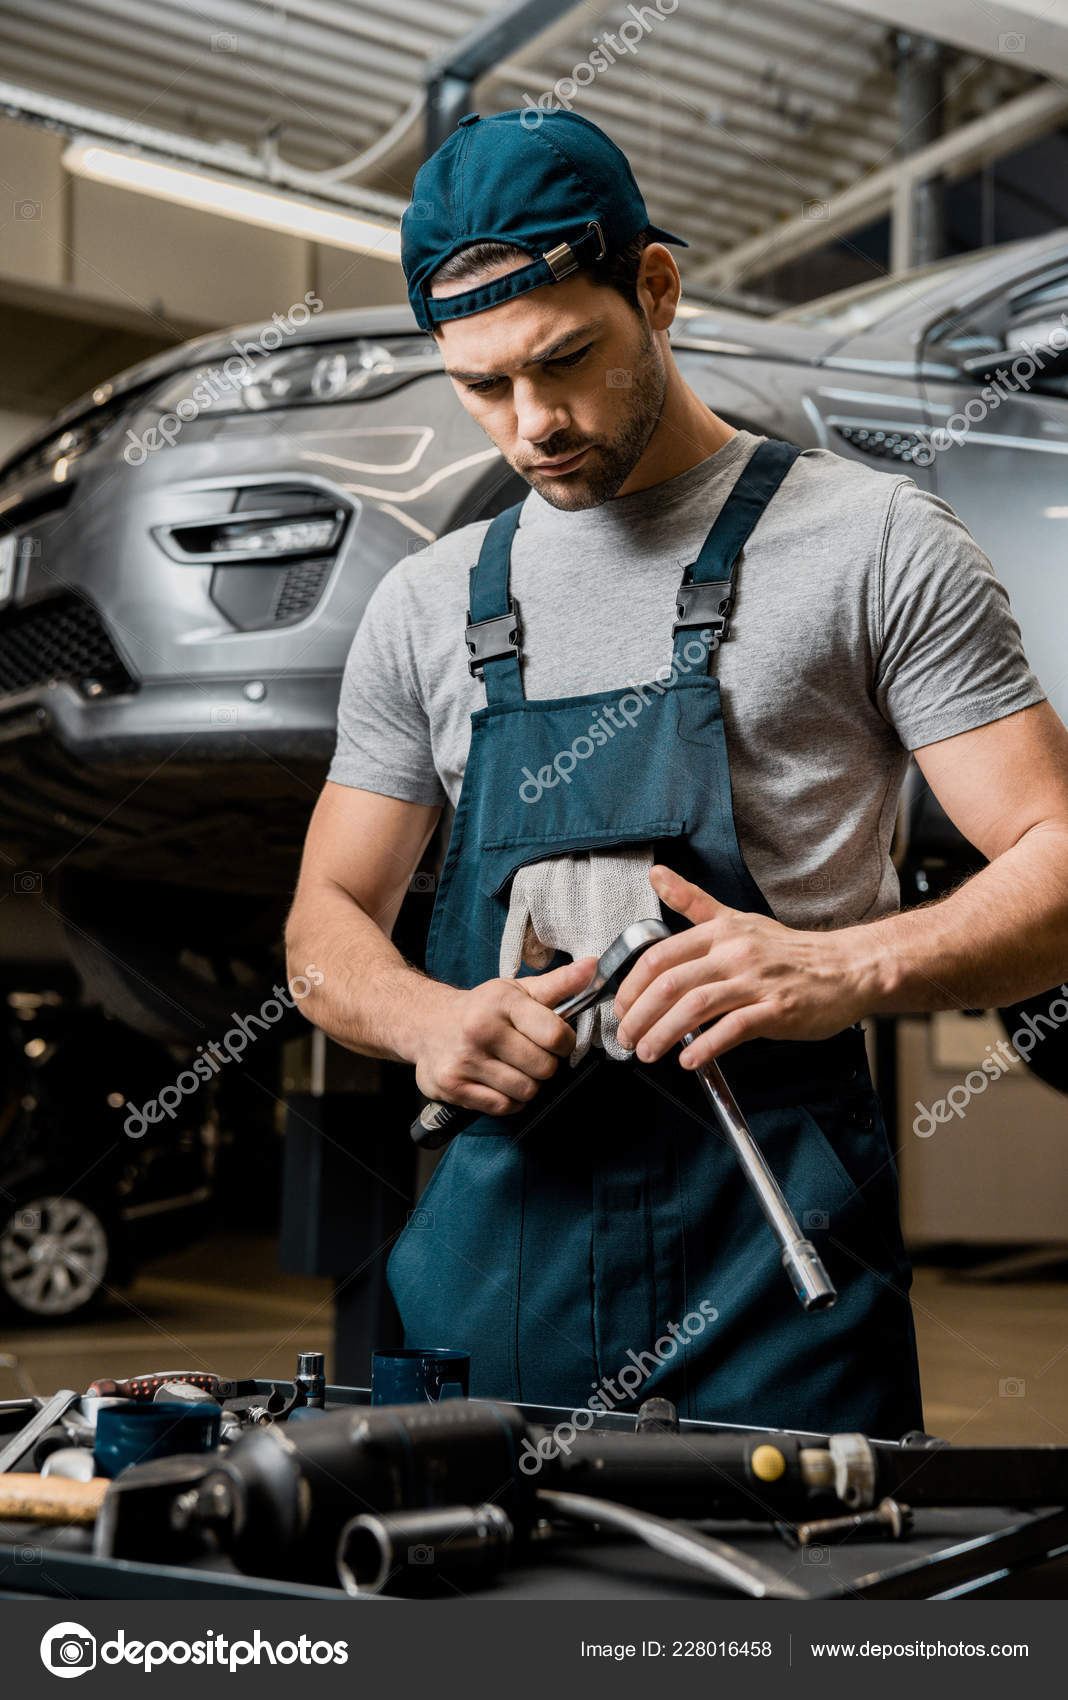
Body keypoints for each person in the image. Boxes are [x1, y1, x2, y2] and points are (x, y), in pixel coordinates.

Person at [286, 109, 1068, 1436]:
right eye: (480, 385)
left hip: (776, 1277)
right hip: (498, 1271)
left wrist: (846, 966)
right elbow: (322, 927)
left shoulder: (876, 545)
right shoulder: (425, 608)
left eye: (566, 361)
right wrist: (424, 1021)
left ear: (657, 289)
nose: (532, 424)